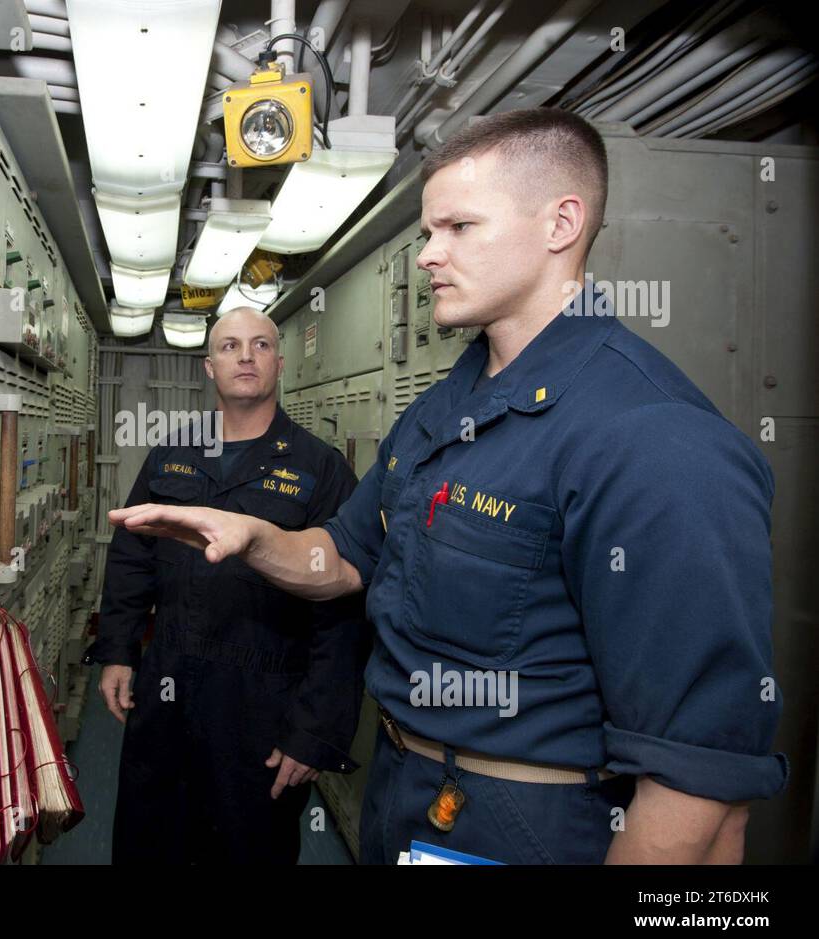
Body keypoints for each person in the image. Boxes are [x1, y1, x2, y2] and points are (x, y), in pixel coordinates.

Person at [109, 108, 787, 864]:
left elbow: (697, 788)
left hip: (532, 822)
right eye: (428, 232)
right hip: (410, 798)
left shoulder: (653, 438)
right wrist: (256, 537)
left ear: (562, 223)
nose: (428, 255)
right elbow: (340, 559)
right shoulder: (442, 411)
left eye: (458, 228)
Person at [85, 306, 368, 864]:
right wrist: (118, 650)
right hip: (168, 686)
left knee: (248, 848)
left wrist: (315, 731)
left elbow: (344, 610)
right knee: (150, 840)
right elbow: (132, 556)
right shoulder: (172, 455)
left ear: (280, 364)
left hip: (263, 700)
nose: (245, 356)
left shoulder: (321, 468)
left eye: (261, 345)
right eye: (230, 346)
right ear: (209, 367)